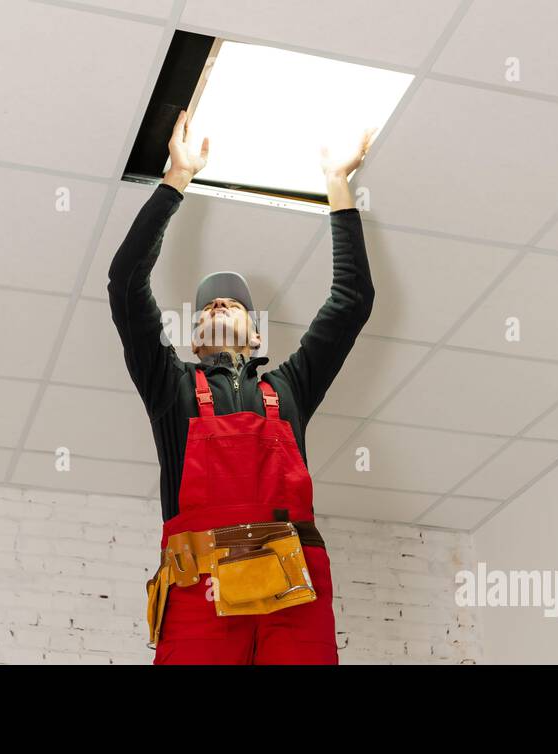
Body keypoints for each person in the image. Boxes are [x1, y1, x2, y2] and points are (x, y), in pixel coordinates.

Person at [108, 110, 375, 664]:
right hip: (198, 584)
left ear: (256, 335)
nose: (222, 304)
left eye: (235, 304)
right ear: (195, 335)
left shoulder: (290, 386)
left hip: (293, 581)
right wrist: (175, 180)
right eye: (208, 305)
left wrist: (338, 187)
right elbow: (125, 282)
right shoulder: (171, 388)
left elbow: (353, 299)